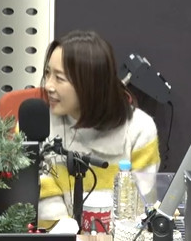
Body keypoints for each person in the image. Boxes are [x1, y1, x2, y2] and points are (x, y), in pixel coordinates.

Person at [38, 30, 160, 221]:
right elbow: (44, 206)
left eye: (59, 78)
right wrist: (70, 232)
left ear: (90, 83)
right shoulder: (37, 126)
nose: (48, 86)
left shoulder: (140, 129)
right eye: (47, 73)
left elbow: (141, 209)